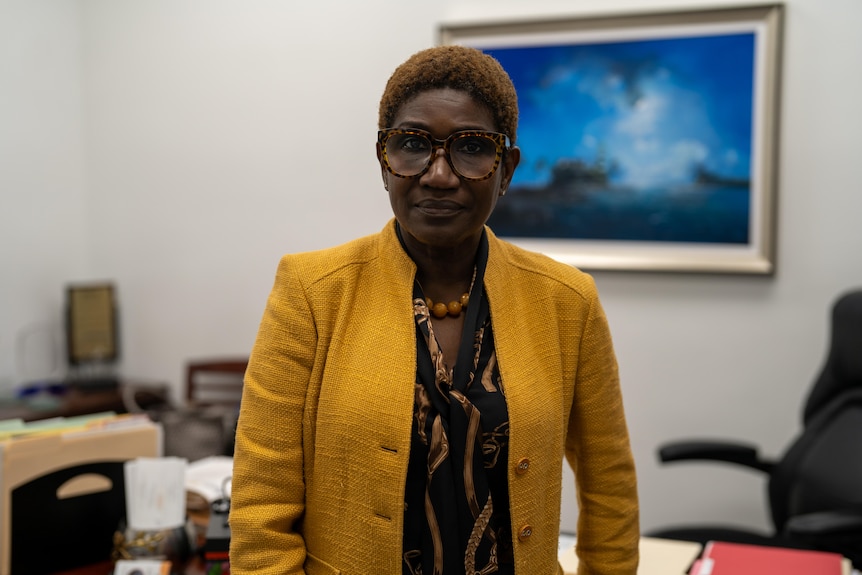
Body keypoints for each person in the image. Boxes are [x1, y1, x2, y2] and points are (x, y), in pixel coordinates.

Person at [228, 45, 639, 575]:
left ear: (506, 168)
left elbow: (610, 488)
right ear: (384, 160)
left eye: (471, 148)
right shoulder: (312, 291)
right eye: (412, 145)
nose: (439, 174)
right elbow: (261, 506)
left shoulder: (566, 301)